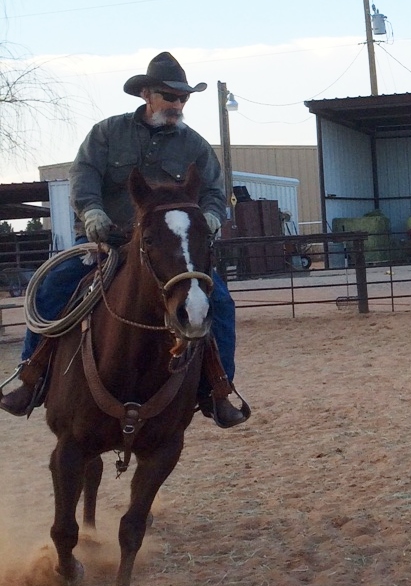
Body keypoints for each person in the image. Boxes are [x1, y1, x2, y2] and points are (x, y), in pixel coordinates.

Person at [0, 52, 250, 428]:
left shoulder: (195, 147)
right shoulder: (106, 133)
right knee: (54, 286)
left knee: (221, 304)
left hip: (166, 252)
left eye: (183, 98)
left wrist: (212, 216)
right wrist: (92, 212)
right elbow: (83, 175)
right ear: (147, 94)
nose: (178, 104)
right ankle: (32, 378)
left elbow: (214, 189)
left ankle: (218, 390)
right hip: (110, 243)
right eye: (170, 96)